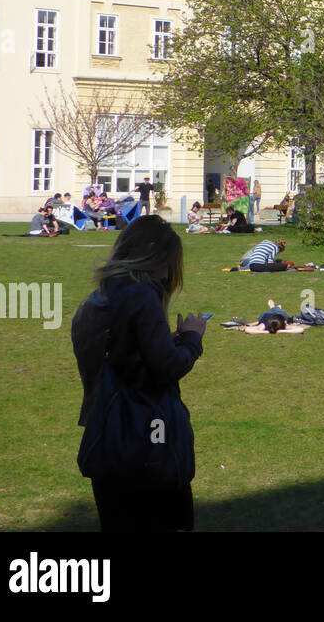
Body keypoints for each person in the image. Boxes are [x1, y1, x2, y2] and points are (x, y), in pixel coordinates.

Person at [71, 214, 205, 531]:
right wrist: (191, 339)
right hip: (146, 439)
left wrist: (162, 340)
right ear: (157, 258)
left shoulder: (100, 298)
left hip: (108, 438)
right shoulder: (142, 296)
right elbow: (164, 368)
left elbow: (119, 355)